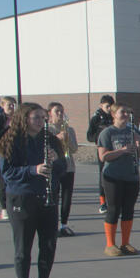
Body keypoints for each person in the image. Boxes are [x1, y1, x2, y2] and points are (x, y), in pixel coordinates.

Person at [0, 102, 67, 278]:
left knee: (48, 243)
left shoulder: (51, 140)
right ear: (24, 119)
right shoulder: (11, 140)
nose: (41, 121)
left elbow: (63, 168)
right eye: (36, 117)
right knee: (23, 245)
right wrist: (32, 170)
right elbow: (7, 173)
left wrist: (56, 161)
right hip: (22, 197)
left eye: (42, 117)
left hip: (48, 196)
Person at [97, 103, 140, 256]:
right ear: (113, 114)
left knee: (128, 210)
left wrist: (139, 144)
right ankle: (110, 244)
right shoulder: (107, 133)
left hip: (131, 175)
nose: (125, 115)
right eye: (122, 112)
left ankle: (125, 243)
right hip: (113, 176)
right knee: (113, 209)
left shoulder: (133, 131)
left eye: (127, 112)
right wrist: (122, 150)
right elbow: (103, 156)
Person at [47, 102, 79, 237]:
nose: (60, 114)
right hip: (54, 167)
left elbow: (74, 149)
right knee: (54, 196)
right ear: (50, 113)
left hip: (69, 166)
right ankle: (52, 225)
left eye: (62, 111)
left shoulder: (69, 129)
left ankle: (64, 224)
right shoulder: (47, 129)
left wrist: (67, 138)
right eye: (57, 112)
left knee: (67, 196)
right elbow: (47, 148)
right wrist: (57, 138)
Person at [87, 95, 115, 214]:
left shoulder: (114, 116)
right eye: (107, 106)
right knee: (103, 175)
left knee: (114, 175)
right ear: (101, 105)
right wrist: (100, 135)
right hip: (103, 150)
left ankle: (112, 200)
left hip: (114, 149)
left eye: (111, 106)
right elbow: (89, 136)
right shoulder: (96, 118)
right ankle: (102, 202)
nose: (109, 109)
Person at [0, 96, 16, 220]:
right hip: (2, 153)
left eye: (13, 105)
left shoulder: (18, 118)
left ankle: (15, 205)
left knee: (15, 180)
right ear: (3, 106)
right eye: (9, 105)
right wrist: (9, 126)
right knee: (3, 182)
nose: (11, 107)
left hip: (16, 153)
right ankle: (4, 208)